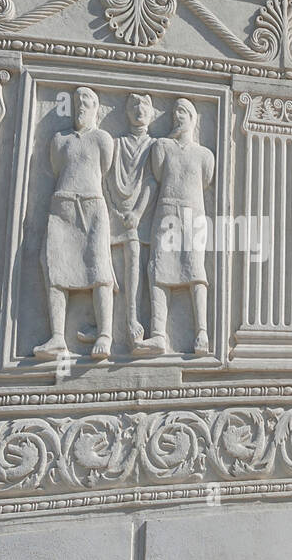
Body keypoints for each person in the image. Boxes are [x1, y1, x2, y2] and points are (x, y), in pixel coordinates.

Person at [34, 87, 116, 360]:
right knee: (54, 265)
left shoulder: (103, 139)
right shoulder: (61, 139)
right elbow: (58, 167)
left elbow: (103, 168)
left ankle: (105, 333)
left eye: (86, 102)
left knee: (99, 268)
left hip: (92, 206)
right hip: (63, 206)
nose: (80, 107)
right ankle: (57, 337)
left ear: (96, 107)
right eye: (76, 103)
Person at [135, 98, 215, 356]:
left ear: (193, 118)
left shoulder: (204, 154)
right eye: (173, 113)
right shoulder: (163, 146)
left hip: (194, 214)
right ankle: (158, 334)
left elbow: (206, 179)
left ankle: (201, 332)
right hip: (166, 209)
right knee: (158, 268)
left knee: (195, 270)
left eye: (182, 112)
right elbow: (158, 174)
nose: (176, 117)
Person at [105, 93, 156, 351]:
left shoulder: (154, 146)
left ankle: (133, 319)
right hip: (115, 214)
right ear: (126, 112)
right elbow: (104, 179)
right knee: (106, 269)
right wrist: (114, 211)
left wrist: (136, 213)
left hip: (141, 218)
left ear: (152, 113)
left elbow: (151, 182)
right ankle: (104, 324)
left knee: (135, 264)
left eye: (144, 106)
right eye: (134, 106)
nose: (139, 110)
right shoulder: (116, 143)